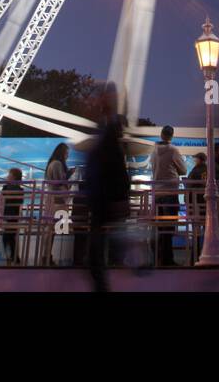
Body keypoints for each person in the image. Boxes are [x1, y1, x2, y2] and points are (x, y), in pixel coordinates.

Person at [82, 83, 130, 290]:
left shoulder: (104, 127)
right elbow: (111, 161)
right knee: (107, 234)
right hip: (104, 192)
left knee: (101, 235)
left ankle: (100, 273)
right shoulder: (106, 128)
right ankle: (104, 272)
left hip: (102, 192)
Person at [150, 126, 185, 267]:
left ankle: (158, 259)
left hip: (157, 194)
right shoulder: (173, 150)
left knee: (159, 228)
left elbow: (153, 169)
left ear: (161, 134)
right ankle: (168, 260)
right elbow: (183, 169)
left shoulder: (153, 151)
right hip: (170, 193)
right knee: (169, 228)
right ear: (171, 136)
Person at [41, 143, 74, 266]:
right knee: (53, 230)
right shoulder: (57, 164)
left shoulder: (53, 163)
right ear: (62, 153)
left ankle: (47, 256)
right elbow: (59, 181)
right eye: (66, 153)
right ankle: (46, 257)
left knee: (52, 229)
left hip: (53, 199)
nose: (67, 156)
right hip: (57, 200)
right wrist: (69, 175)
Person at [0, 167, 25, 264]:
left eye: (9, 175)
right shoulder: (20, 190)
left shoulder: (6, 188)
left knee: (7, 236)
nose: (7, 177)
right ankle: (14, 257)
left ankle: (12, 257)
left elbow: (4, 199)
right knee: (11, 236)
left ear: (13, 177)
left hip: (8, 215)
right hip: (14, 216)